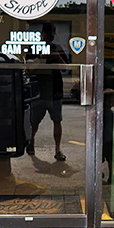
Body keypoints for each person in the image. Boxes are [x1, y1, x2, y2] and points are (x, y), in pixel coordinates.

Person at [26, 22, 69, 162]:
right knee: (34, 122)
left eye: (53, 34)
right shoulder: (33, 48)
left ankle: (57, 149)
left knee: (57, 120)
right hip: (39, 90)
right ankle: (31, 142)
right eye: (48, 33)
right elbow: (29, 68)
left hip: (55, 91)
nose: (51, 36)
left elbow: (65, 68)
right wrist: (41, 58)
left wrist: (56, 56)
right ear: (42, 33)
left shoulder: (57, 48)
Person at [102, 88, 114, 184]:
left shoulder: (100, 114)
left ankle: (99, 174)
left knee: (99, 159)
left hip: (102, 140)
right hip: (110, 140)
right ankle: (111, 176)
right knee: (111, 160)